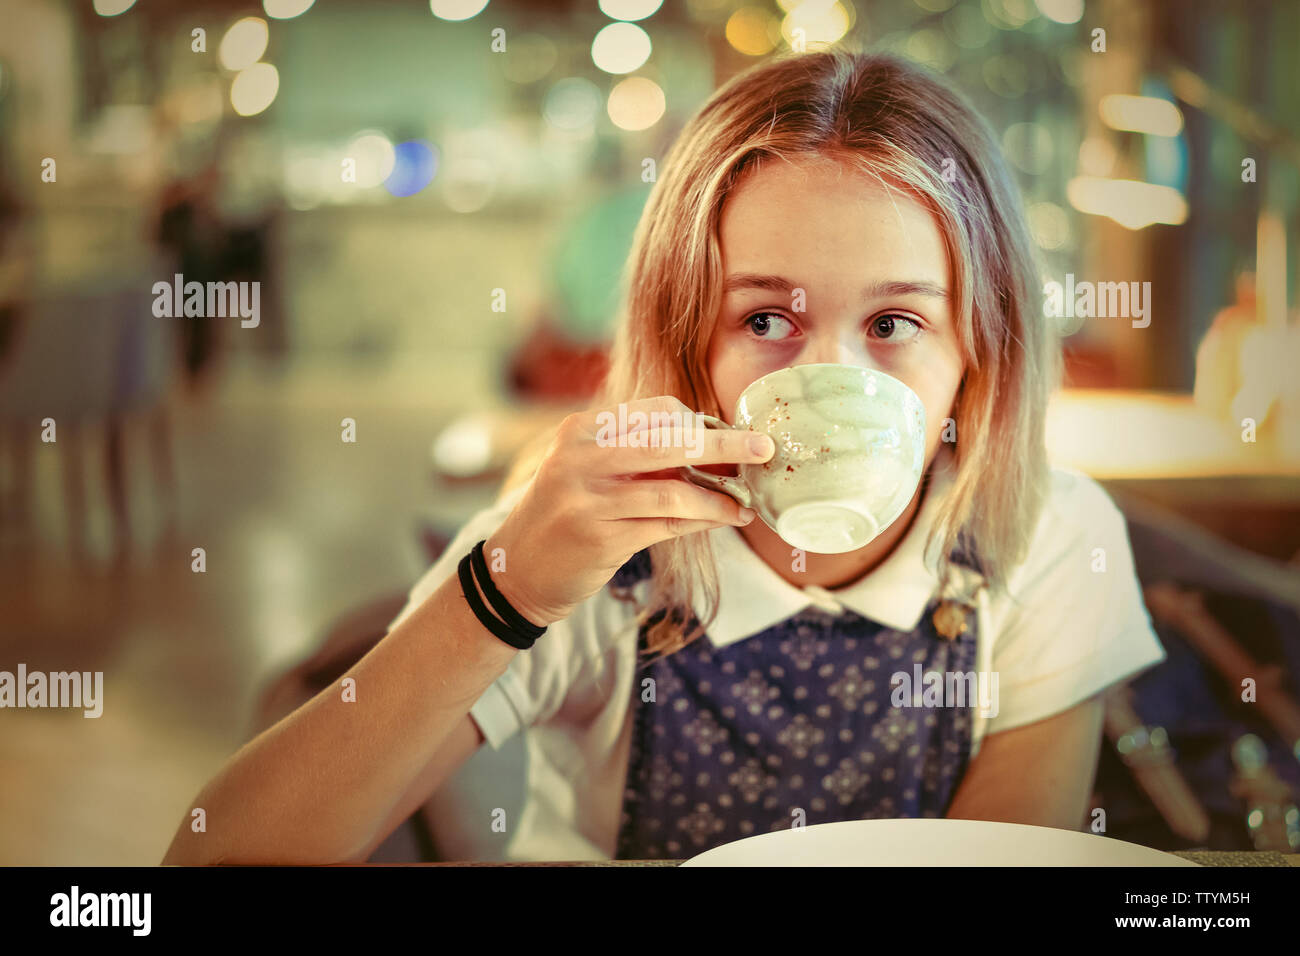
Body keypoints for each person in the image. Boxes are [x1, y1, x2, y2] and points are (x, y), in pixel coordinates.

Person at [162, 47, 1166, 865]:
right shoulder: (596, 556)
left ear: (979, 349)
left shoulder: (1044, 542)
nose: (826, 373)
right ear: (687, 338)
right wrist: (505, 588)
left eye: (894, 320)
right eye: (766, 315)